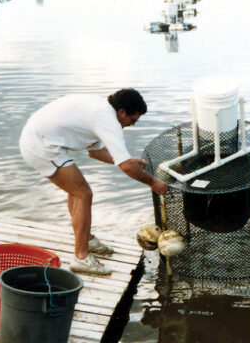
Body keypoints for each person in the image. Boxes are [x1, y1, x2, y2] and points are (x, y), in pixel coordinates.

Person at [20, 89, 168, 275]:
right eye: (133, 120)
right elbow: (126, 167)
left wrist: (128, 159)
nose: (131, 125)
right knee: (83, 194)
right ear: (121, 112)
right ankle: (81, 258)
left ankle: (86, 239)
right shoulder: (107, 120)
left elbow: (96, 152)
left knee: (76, 191)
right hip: (40, 145)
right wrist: (153, 182)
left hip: (41, 139)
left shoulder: (100, 110)